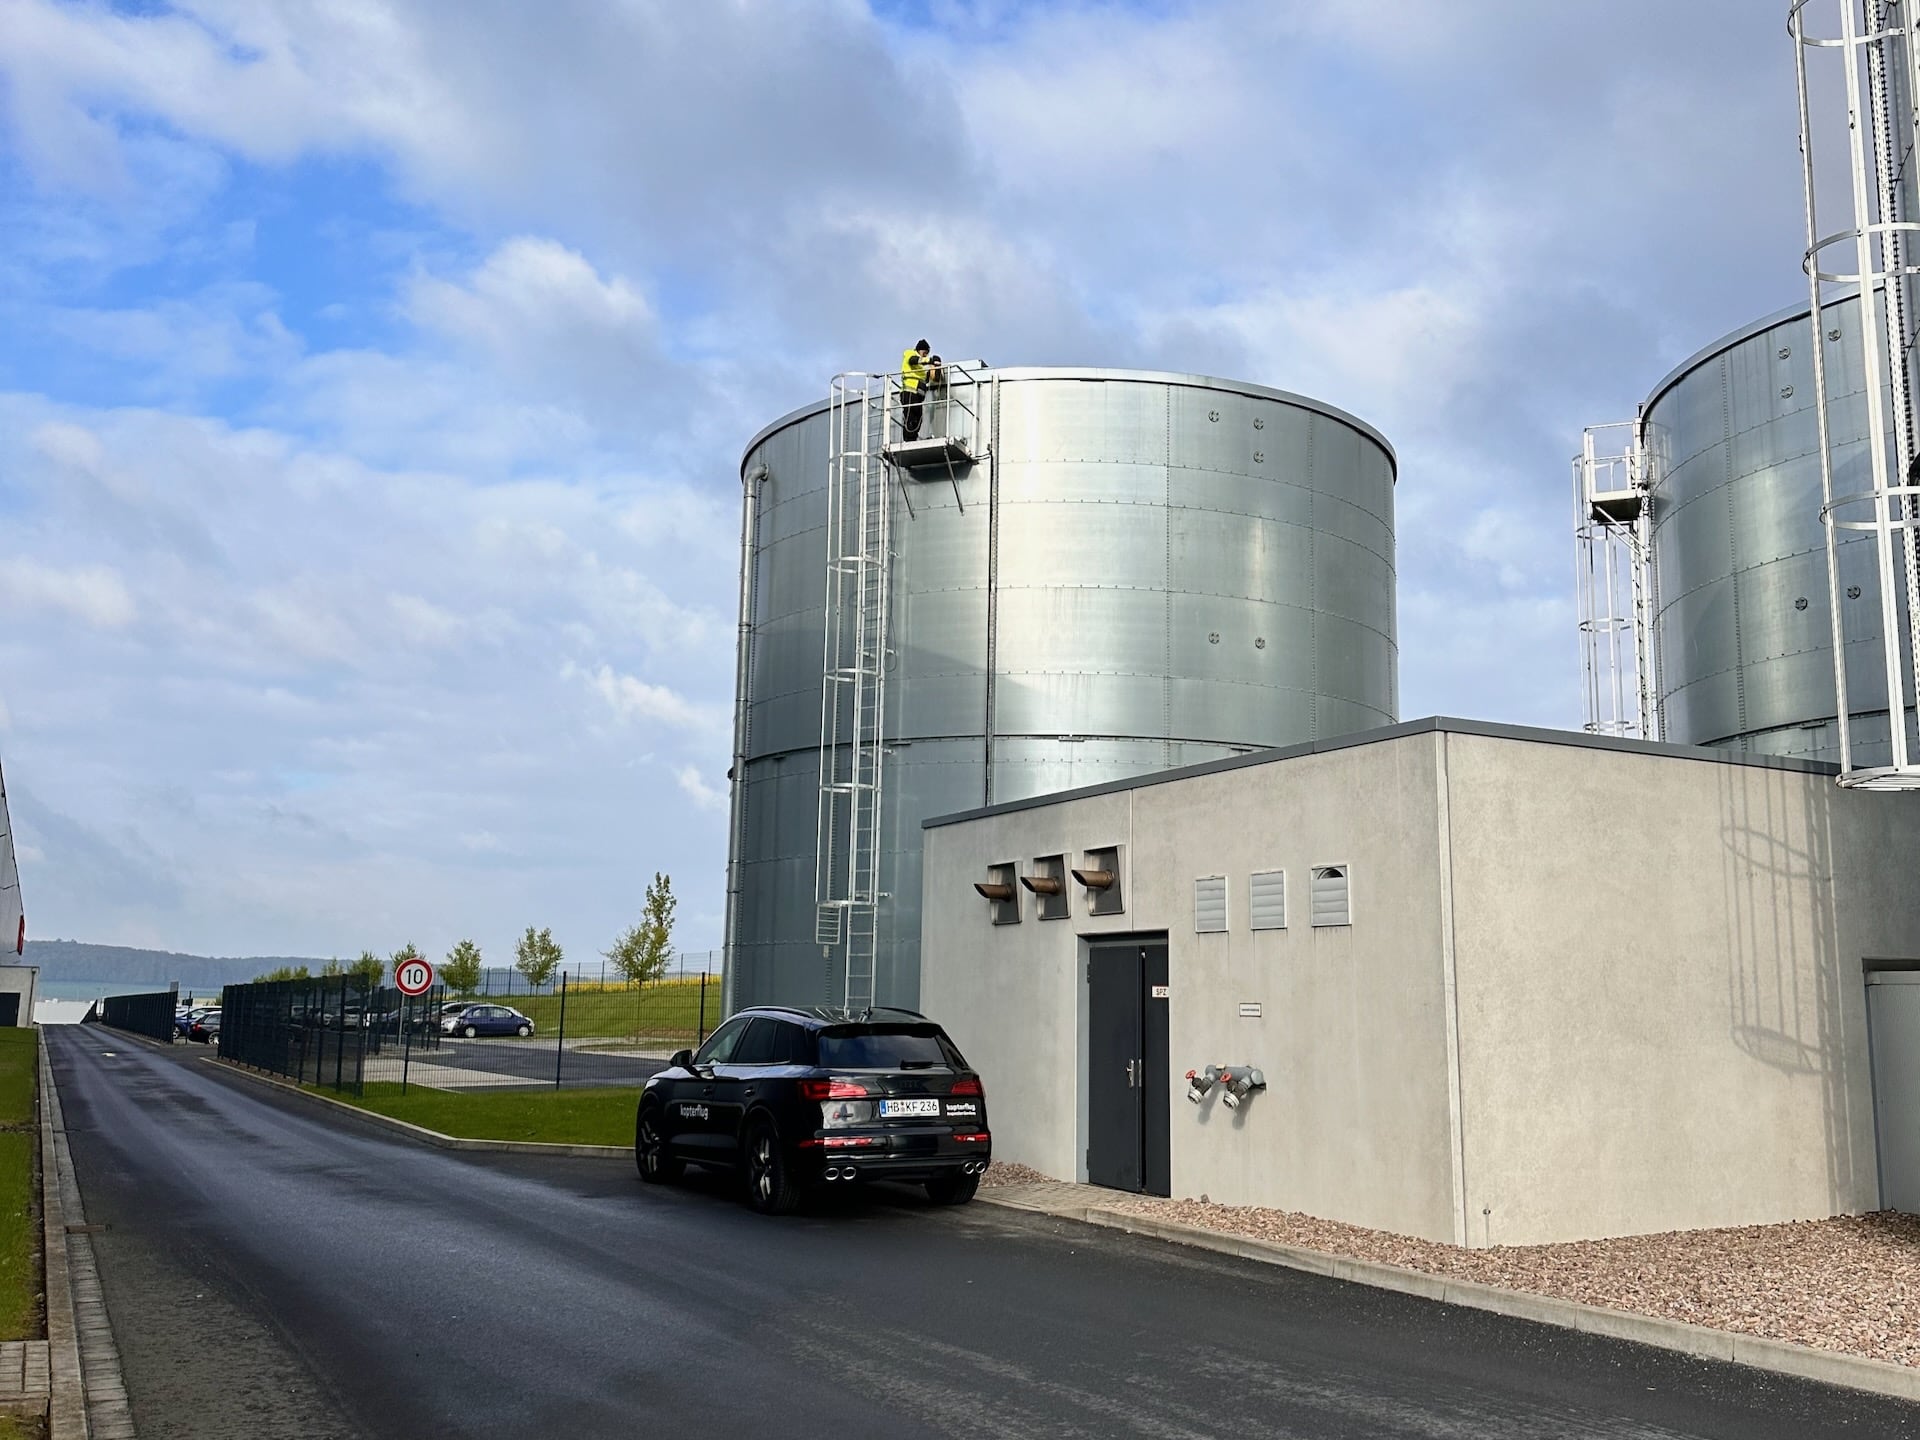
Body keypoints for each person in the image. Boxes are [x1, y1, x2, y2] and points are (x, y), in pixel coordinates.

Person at [900, 339, 932, 440]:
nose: (925, 355)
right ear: (919, 350)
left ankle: (913, 437)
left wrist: (934, 370)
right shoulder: (910, 353)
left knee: (919, 417)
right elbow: (912, 360)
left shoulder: (921, 368)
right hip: (909, 392)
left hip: (917, 395)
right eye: (924, 353)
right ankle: (908, 439)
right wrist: (929, 360)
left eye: (927, 354)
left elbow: (925, 378)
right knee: (910, 416)